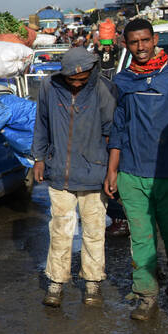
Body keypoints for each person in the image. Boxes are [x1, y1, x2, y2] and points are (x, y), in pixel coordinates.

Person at [105, 18, 168, 322]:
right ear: (125, 44)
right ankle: (146, 295)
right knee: (141, 238)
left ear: (154, 39)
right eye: (134, 42)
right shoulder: (122, 80)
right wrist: (112, 170)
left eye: (145, 40)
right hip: (132, 172)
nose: (141, 48)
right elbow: (118, 127)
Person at [32, 46, 116, 307]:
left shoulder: (104, 89)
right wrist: (39, 158)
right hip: (59, 174)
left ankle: (93, 284)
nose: (77, 84)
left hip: (94, 172)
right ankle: (56, 283)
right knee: (60, 230)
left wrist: (111, 171)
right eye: (72, 80)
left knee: (93, 231)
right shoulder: (49, 87)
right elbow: (41, 123)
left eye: (82, 79)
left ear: (91, 72)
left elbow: (112, 132)